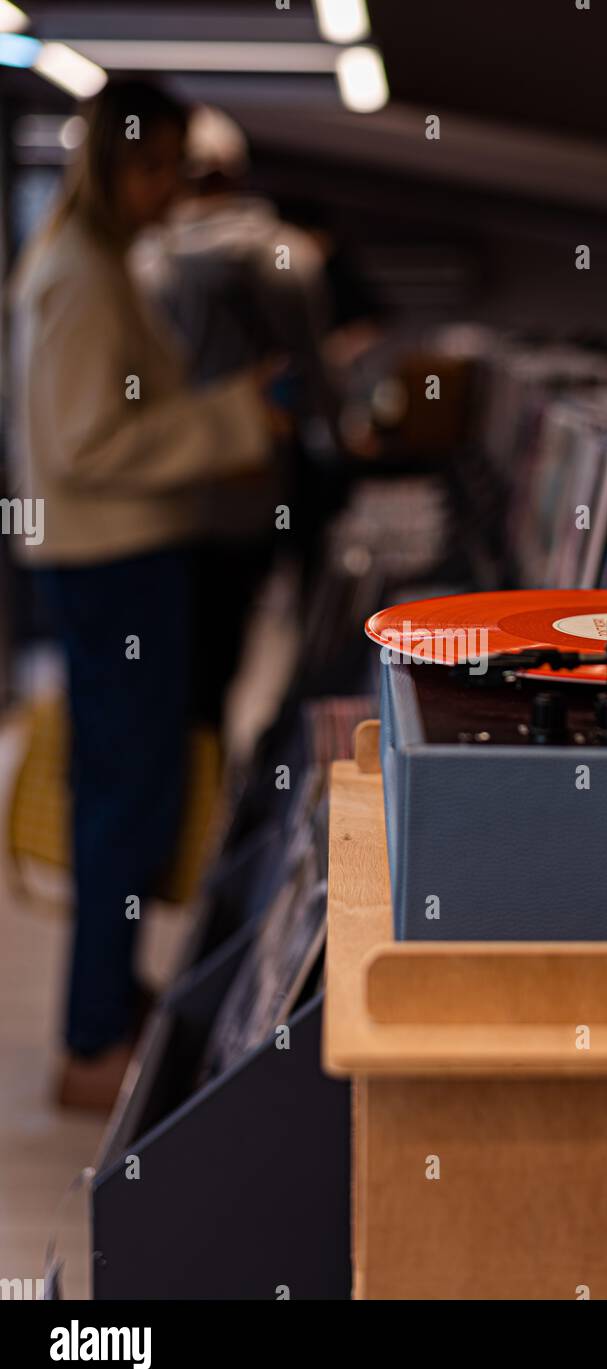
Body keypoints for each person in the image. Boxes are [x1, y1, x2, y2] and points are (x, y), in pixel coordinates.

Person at [9, 79, 285, 1111]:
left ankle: (110, 1012)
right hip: (113, 567)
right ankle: (92, 1041)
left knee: (132, 794)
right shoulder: (83, 275)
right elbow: (88, 443)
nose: (175, 186)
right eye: (162, 164)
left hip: (119, 564)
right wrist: (229, 420)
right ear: (121, 164)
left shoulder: (97, 263)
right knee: (125, 801)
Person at [134, 105, 340, 723]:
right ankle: (215, 778)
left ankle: (179, 783)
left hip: (158, 489)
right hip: (251, 484)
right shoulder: (285, 256)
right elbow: (316, 379)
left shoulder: (139, 263)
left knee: (162, 667)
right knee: (226, 656)